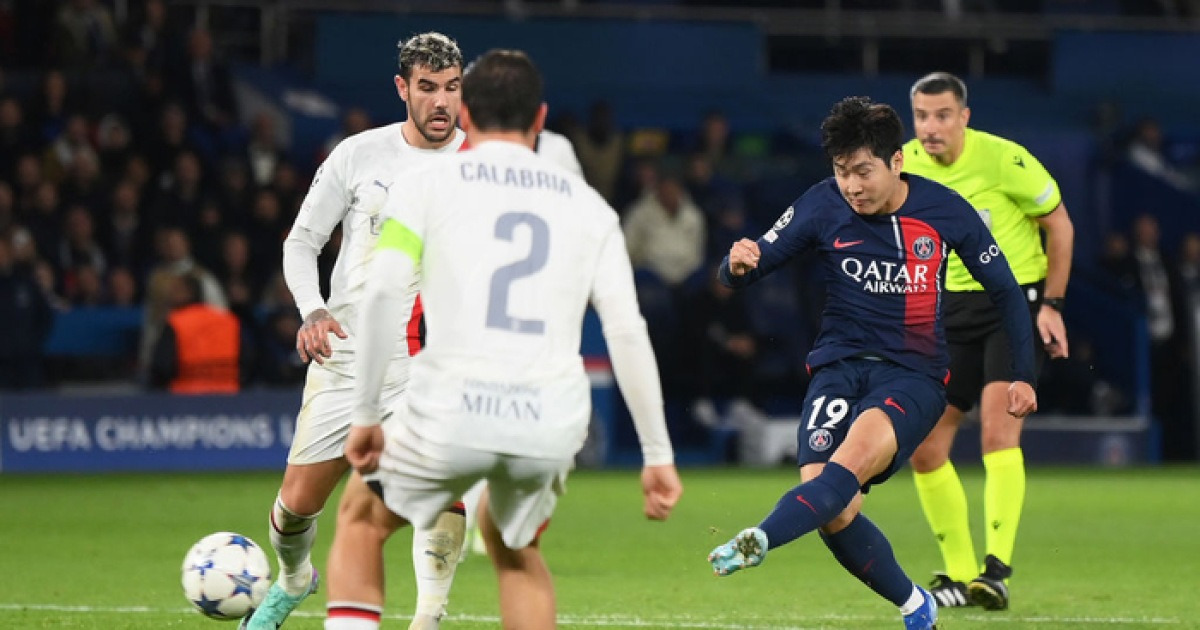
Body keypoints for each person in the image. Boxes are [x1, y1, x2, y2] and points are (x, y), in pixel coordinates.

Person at [329, 49, 683, 630]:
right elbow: (625, 329)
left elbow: (384, 292)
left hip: (452, 405)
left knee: (362, 520)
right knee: (515, 551)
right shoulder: (591, 208)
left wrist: (367, 413)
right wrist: (657, 454)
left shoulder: (424, 184)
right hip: (548, 419)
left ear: (464, 112)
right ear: (540, 119)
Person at [705, 96, 1038, 630]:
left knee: (846, 467)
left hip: (914, 377)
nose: (852, 185)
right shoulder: (821, 204)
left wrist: (1023, 373)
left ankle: (760, 537)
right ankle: (915, 604)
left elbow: (1005, 290)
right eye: (841, 172)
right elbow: (749, 264)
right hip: (837, 370)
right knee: (832, 505)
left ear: (896, 162)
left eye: (863, 171)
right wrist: (735, 266)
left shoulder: (945, 211)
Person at [240, 32, 470, 630]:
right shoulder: (358, 155)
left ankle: (429, 617)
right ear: (402, 89)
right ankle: (295, 578)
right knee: (295, 510)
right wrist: (312, 309)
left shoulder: (483, 168)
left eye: (451, 88)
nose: (441, 102)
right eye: (427, 88)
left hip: (431, 358)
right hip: (345, 358)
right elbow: (301, 242)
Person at [902, 71, 1074, 610]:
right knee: (925, 451)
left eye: (943, 115)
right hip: (945, 314)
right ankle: (957, 577)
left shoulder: (1004, 160)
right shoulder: (901, 163)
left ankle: (995, 570)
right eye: (923, 116)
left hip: (1010, 307)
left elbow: (1060, 225)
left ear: (964, 117)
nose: (931, 128)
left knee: (999, 435)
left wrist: (1053, 305)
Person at [148, 272, 247, 393]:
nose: (170, 295)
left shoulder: (176, 322)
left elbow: (162, 366)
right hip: (229, 397)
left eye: (176, 290)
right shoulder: (229, 320)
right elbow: (247, 359)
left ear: (189, 292)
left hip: (185, 399)